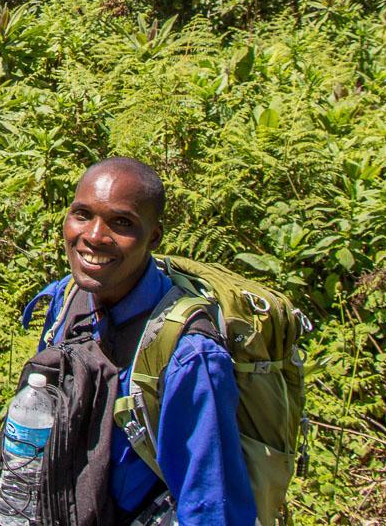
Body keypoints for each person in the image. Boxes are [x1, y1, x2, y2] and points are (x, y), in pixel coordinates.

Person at [20, 158, 257, 525]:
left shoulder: (188, 354)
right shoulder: (68, 298)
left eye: (122, 223)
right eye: (82, 214)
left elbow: (211, 505)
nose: (95, 236)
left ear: (154, 236)